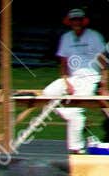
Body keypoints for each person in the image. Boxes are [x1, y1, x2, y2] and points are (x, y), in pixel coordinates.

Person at [45, 8, 107, 153]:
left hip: (91, 78)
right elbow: (63, 62)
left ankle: (77, 148)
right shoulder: (66, 38)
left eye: (78, 19)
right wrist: (66, 80)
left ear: (83, 21)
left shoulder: (95, 36)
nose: (76, 22)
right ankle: (80, 120)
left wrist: (103, 83)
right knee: (48, 94)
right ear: (70, 22)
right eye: (73, 20)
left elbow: (103, 61)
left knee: (75, 108)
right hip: (73, 78)